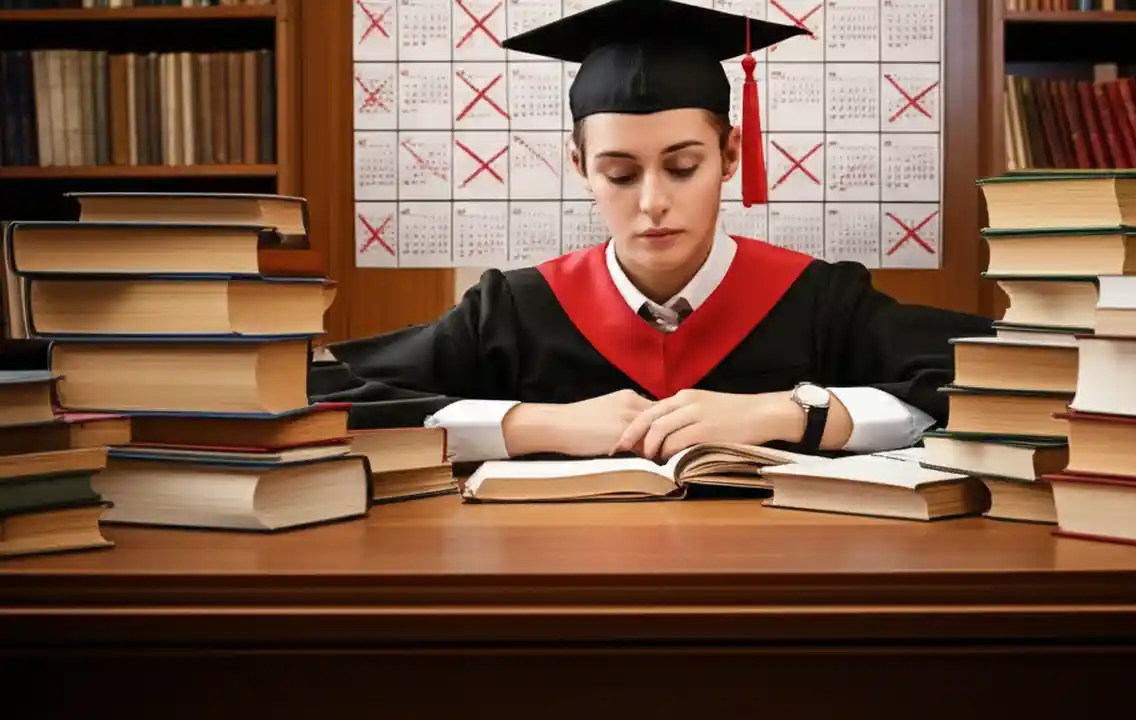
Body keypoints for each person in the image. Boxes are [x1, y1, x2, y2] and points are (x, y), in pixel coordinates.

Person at [310, 0, 992, 463]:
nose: (654, 202)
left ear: (729, 156)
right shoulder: (513, 311)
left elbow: (984, 383)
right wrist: (537, 424)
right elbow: (318, 394)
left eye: (683, 166)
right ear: (578, 166)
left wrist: (791, 414)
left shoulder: (818, 300)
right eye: (619, 173)